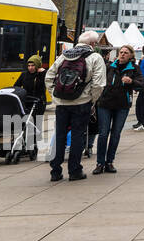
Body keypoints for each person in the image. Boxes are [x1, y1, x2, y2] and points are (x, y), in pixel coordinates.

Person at [44, 31, 106, 182]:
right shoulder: (95, 57)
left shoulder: (64, 55)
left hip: (62, 103)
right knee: (78, 136)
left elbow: (49, 77)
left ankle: (55, 171)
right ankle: (74, 170)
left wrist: (56, 95)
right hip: (81, 103)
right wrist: (91, 100)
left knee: (59, 135)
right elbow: (98, 84)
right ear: (92, 44)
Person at [93, 44, 139, 175]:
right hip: (105, 104)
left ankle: (110, 162)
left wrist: (132, 82)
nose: (122, 54)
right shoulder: (109, 67)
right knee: (103, 133)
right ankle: (100, 163)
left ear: (131, 56)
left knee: (115, 134)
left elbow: (142, 83)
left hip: (122, 105)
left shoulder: (133, 69)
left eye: (126, 52)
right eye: (121, 52)